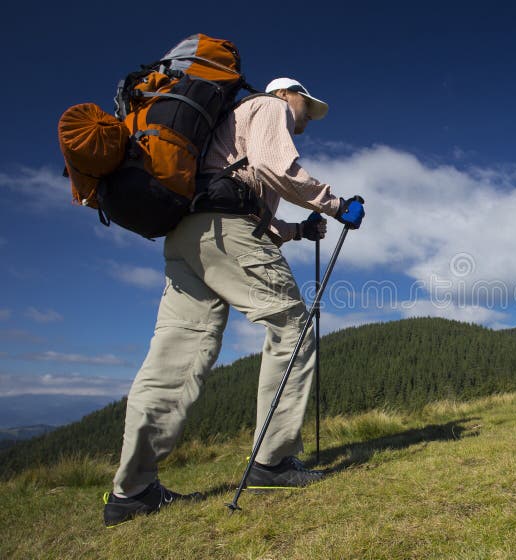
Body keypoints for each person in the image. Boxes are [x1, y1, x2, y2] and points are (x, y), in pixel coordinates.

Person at [102, 78, 365, 527]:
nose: (307, 114)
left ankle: (133, 490)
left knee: (176, 354)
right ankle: (272, 462)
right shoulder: (269, 107)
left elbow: (247, 203)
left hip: (188, 234)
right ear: (286, 94)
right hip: (225, 229)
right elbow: (273, 168)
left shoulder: (225, 129)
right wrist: (336, 205)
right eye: (306, 103)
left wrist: (299, 231)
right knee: (293, 327)